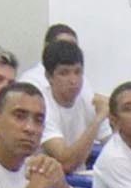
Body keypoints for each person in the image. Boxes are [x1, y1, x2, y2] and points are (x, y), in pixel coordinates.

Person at [36, 37, 102, 168]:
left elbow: (117, 145)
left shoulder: (87, 99)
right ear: (48, 77)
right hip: (48, 181)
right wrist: (98, 119)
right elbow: (66, 162)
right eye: (64, 73)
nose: (73, 80)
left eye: (78, 72)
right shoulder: (40, 106)